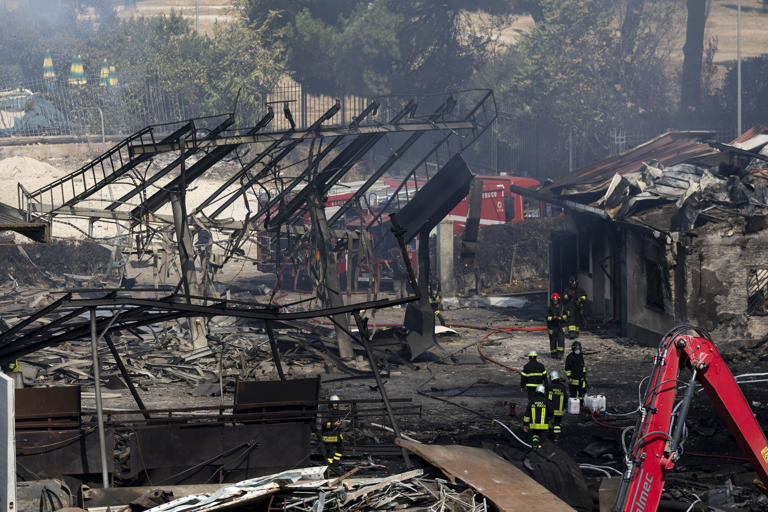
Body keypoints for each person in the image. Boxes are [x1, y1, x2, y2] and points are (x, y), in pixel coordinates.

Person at [321, 395, 345, 472]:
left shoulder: (336, 411)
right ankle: (330, 467)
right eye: (334, 402)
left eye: (337, 402)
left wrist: (339, 424)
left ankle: (334, 464)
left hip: (337, 435)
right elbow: (324, 424)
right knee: (330, 453)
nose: (336, 404)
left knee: (341, 449)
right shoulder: (327, 412)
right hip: (329, 436)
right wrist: (333, 424)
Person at [523, 384, 551, 449]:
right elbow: (551, 412)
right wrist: (548, 418)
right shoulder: (546, 401)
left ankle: (534, 447)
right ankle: (539, 450)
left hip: (533, 426)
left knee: (535, 437)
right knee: (542, 441)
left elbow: (527, 414)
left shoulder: (532, 401)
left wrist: (525, 424)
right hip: (544, 426)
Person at [547, 370, 568, 442]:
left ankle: (545, 436)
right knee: (557, 424)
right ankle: (556, 437)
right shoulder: (562, 387)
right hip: (559, 410)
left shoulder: (549, 386)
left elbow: (544, 397)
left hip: (550, 410)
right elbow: (565, 398)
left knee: (546, 422)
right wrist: (565, 406)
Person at [546, 293, 566, 359]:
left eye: (556, 300)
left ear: (558, 300)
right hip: (552, 327)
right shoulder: (550, 308)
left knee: (560, 341)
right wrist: (552, 318)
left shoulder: (562, 307)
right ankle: (553, 353)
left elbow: (566, 316)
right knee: (553, 341)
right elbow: (547, 317)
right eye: (554, 300)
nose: (555, 301)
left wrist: (561, 318)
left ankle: (560, 353)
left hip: (560, 327)